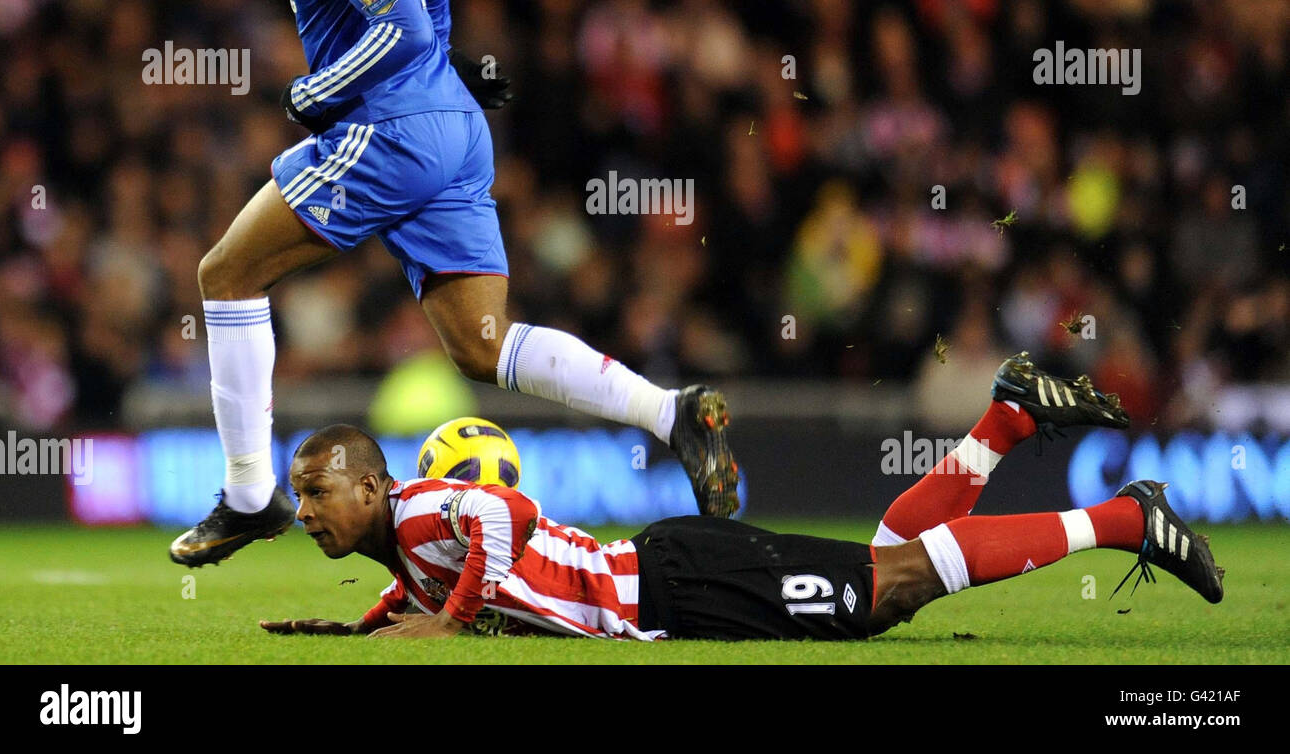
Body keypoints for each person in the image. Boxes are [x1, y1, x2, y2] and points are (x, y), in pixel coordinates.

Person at [170, 0, 738, 567]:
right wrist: (446, 63)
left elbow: (396, 33)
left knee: (227, 274)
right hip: (453, 132)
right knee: (484, 345)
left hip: (391, 133)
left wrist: (314, 90)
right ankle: (669, 412)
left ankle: (245, 498)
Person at [260, 353, 1224, 642]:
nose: (305, 512)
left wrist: (449, 621)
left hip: (677, 585)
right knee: (878, 569)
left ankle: (1122, 518)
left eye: (317, 494)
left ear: (374, 485)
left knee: (885, 589)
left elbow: (502, 517)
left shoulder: (423, 508)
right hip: (675, 576)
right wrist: (361, 630)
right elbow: (430, 583)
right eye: (299, 499)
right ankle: (1004, 426)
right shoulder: (405, 547)